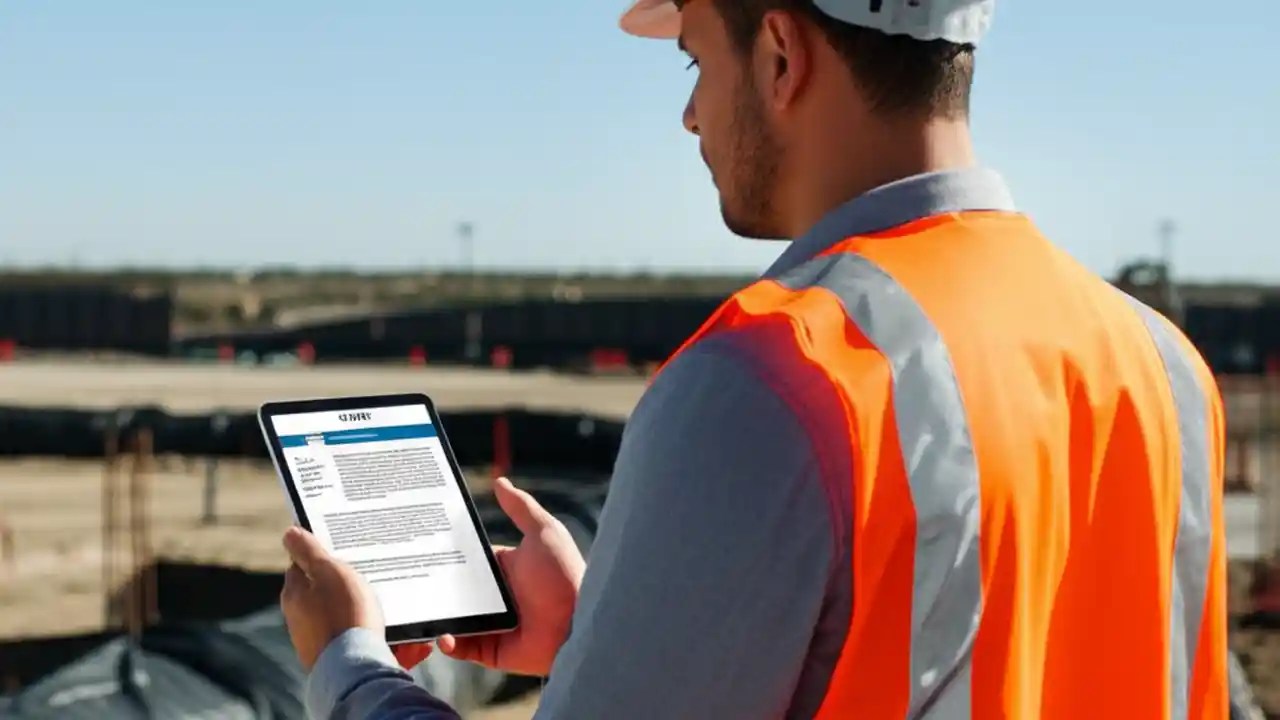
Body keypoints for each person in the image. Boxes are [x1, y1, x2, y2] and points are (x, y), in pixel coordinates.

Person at [280, 0, 1233, 717]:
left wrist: (347, 665)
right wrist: (599, 636)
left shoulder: (778, 372)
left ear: (779, 55)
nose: (691, 115)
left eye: (695, 60)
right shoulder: (1162, 365)